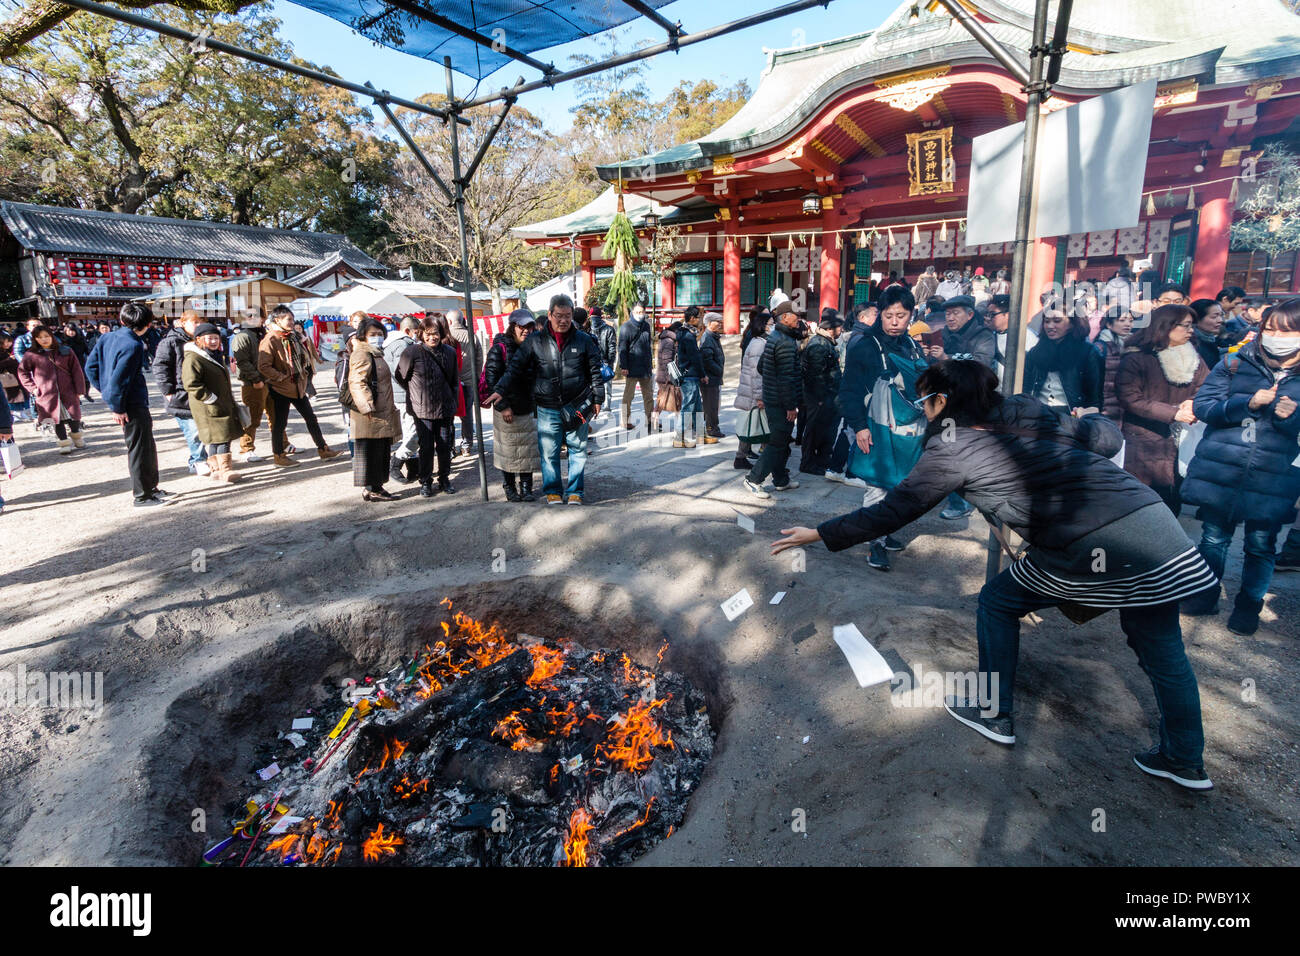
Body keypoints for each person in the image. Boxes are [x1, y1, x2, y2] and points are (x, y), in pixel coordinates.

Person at [772, 359, 1217, 791]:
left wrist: (818, 533)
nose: (920, 409)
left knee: (998, 602)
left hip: (1087, 539)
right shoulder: (1025, 409)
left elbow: (893, 511)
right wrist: (1089, 419)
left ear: (942, 401)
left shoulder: (951, 447)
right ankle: (1184, 759)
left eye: (923, 401)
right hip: (1157, 528)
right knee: (1162, 646)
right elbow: (1103, 438)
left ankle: (993, 712)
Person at [1181, 299, 1300, 635]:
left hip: (1275, 476)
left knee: (1261, 544)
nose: (1276, 336)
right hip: (1223, 467)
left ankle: (1249, 605)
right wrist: (1246, 403)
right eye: (1271, 328)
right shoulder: (1235, 361)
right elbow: (1205, 406)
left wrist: (1292, 418)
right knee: (1213, 538)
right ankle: (1203, 595)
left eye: (1286, 331)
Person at [834, 285, 924, 568]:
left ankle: (884, 532)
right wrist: (859, 426)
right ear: (879, 315)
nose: (895, 322)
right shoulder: (865, 345)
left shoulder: (911, 344)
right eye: (889, 316)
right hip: (875, 426)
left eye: (901, 315)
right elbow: (847, 391)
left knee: (898, 485)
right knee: (877, 485)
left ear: (911, 315)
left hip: (907, 428)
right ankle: (874, 543)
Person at [485, 294, 604, 505]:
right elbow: (515, 368)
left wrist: (598, 398)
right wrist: (500, 389)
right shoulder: (534, 341)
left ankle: (575, 491)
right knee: (549, 452)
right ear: (549, 315)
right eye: (559, 315)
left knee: (578, 450)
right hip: (547, 406)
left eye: (567, 315)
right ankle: (553, 491)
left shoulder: (584, 340)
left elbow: (595, 370)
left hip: (577, 404)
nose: (564, 320)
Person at [1111, 304, 1208, 516]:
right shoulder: (1137, 358)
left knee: (1172, 500)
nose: (1191, 331)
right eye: (1186, 326)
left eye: (1192, 326)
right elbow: (1130, 398)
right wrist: (1173, 413)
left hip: (1183, 437)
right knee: (1143, 500)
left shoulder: (1195, 358)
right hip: (1144, 439)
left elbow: (1206, 389)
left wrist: (1192, 403)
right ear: (1166, 326)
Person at [85, 303, 175, 507]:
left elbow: (91, 368)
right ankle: (142, 496)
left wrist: (105, 391)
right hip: (130, 403)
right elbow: (120, 378)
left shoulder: (107, 337)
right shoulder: (132, 345)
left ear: (122, 320)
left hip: (127, 400)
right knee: (139, 449)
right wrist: (116, 404)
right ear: (148, 324)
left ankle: (151, 487)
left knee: (147, 445)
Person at [927, 294, 995, 519]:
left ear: (970, 314)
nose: (950, 317)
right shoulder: (942, 334)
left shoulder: (983, 335)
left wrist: (947, 358)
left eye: (955, 313)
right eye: (947, 313)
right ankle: (956, 499)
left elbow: (981, 365)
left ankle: (961, 502)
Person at [258, 304, 341, 467]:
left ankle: (323, 449)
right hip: (280, 388)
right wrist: (280, 377)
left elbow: (303, 356)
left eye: (292, 319)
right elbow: (263, 366)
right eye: (288, 319)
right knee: (280, 423)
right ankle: (279, 455)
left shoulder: (293, 335)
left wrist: (304, 372)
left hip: (298, 386)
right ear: (277, 320)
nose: (291, 322)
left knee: (311, 418)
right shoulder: (270, 339)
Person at [742, 300, 802, 497]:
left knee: (781, 441)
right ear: (784, 317)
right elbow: (786, 379)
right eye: (795, 315)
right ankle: (753, 479)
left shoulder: (776, 336)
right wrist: (790, 406)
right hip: (779, 402)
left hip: (773, 398)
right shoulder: (784, 341)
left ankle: (780, 479)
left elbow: (762, 368)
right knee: (777, 443)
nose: (798, 318)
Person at [394, 319, 459, 497]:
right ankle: (426, 481)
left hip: (445, 407)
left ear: (441, 333)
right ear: (421, 334)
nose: (432, 337)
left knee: (445, 446)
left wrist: (453, 401)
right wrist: (415, 391)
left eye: (436, 333)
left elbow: (454, 379)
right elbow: (400, 376)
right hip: (422, 409)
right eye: (428, 333)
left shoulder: (450, 352)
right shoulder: (412, 352)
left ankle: (444, 479)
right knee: (426, 447)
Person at [483, 309, 540, 501]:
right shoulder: (499, 349)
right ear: (513, 327)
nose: (526, 331)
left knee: (528, 452)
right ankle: (509, 487)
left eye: (529, 327)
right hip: (507, 410)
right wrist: (503, 406)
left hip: (527, 408)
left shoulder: (532, 347)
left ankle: (526, 488)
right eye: (522, 327)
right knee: (508, 452)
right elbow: (492, 381)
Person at [181, 323, 245, 484]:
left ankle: (216, 470)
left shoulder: (213, 355)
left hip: (219, 403)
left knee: (218, 438)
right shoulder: (194, 358)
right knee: (223, 436)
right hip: (208, 406)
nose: (214, 341)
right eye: (210, 338)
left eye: (216, 338)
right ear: (199, 339)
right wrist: (210, 398)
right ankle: (226, 470)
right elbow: (191, 383)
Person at [347, 317, 402, 501]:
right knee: (372, 452)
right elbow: (356, 381)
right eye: (373, 334)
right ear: (363, 335)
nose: (377, 337)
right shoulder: (362, 353)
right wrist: (366, 406)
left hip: (379, 411)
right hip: (370, 413)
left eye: (380, 334)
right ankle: (373, 489)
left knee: (378, 451)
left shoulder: (375, 353)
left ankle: (374, 487)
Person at [153, 310, 210, 477]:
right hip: (180, 394)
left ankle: (199, 459)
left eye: (201, 322)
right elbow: (160, 367)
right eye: (195, 322)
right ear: (183, 323)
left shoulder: (202, 341)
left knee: (203, 428)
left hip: (199, 392)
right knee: (193, 430)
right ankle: (198, 461)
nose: (198, 325)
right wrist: (168, 391)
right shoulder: (170, 342)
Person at [1022, 301, 1103, 416]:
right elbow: (1026, 387)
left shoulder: (1088, 352)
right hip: (1038, 413)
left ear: (1072, 323)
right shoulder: (1035, 352)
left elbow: (1094, 396)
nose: (1050, 326)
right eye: (1046, 321)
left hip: (1072, 414)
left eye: (1057, 321)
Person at [17, 324, 86, 455]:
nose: (44, 339)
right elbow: (22, 372)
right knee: (56, 419)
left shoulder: (65, 351)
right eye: (39, 337)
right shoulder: (31, 354)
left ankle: (77, 436)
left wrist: (79, 389)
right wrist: (33, 388)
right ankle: (64, 442)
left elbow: (77, 371)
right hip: (46, 393)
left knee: (74, 417)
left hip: (68, 391)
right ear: (35, 339)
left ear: (51, 336)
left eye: (46, 336)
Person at [798, 313, 843, 475]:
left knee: (825, 429)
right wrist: (818, 398)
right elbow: (814, 375)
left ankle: (822, 459)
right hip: (818, 397)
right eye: (839, 327)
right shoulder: (819, 344)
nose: (841, 330)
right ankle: (808, 463)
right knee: (813, 429)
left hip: (828, 396)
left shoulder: (826, 342)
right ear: (830, 329)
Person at [229, 307, 274, 463]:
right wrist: (256, 379)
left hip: (270, 381)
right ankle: (246, 448)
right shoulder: (243, 336)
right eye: (249, 316)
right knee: (252, 418)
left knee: (276, 416)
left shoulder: (263, 334)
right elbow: (242, 361)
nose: (253, 319)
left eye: (257, 316)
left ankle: (283, 444)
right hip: (252, 383)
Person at [384, 317, 421, 485]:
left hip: (401, 395)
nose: (419, 336)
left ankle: (414, 468)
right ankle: (396, 462)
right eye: (417, 332)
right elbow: (402, 373)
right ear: (408, 331)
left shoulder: (394, 343)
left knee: (410, 432)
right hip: (404, 395)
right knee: (414, 433)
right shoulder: (401, 344)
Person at [733, 309, 768, 470]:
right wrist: (760, 396)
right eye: (771, 324)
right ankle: (766, 463)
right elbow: (757, 374)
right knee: (759, 426)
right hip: (754, 392)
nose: (773, 326)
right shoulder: (758, 345)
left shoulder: (758, 342)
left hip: (751, 391)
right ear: (763, 326)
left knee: (752, 425)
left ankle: (742, 457)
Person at [446, 309, 482, 454]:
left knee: (448, 416)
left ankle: (449, 446)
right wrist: (477, 377)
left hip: (450, 382)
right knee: (467, 415)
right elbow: (479, 359)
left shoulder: (446, 336)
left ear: (449, 321)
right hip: (469, 381)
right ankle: (466, 445)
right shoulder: (471, 336)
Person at [984, 293, 1038, 388]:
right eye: (987, 314)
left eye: (992, 315)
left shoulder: (1027, 336)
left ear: (1008, 315)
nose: (988, 318)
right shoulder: (989, 335)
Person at [617, 301, 654, 431]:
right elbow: (622, 348)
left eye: (642, 312)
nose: (640, 314)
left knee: (649, 396)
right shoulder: (626, 327)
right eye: (637, 312)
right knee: (628, 396)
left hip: (645, 367)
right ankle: (625, 421)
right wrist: (624, 366)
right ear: (632, 312)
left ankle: (651, 421)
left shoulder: (646, 325)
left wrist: (650, 364)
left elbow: (648, 346)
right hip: (631, 367)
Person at [1092, 307, 1133, 422]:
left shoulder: (1134, 346)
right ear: (1109, 324)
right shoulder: (1100, 347)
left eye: (1130, 320)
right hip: (1105, 407)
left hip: (1127, 407)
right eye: (1122, 320)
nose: (1127, 324)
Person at [675, 305, 706, 449]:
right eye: (699, 317)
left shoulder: (684, 332)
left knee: (697, 406)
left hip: (687, 373)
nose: (700, 320)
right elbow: (695, 357)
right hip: (690, 374)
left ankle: (701, 434)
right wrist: (702, 374)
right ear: (692, 318)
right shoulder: (688, 335)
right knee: (688, 406)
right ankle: (680, 437)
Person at [699, 311, 726, 442]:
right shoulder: (707, 338)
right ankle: (712, 428)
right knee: (711, 405)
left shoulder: (712, 336)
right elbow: (707, 359)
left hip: (714, 376)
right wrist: (718, 370)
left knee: (712, 404)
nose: (720, 324)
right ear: (710, 324)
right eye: (718, 322)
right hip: (710, 377)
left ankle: (711, 426)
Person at [654, 314, 683, 433]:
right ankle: (679, 425)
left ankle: (654, 422)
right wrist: (671, 377)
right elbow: (667, 360)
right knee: (671, 400)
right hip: (667, 376)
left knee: (662, 400)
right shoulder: (669, 341)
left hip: (665, 375)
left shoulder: (668, 339)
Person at [1189, 298, 1226, 371]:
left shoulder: (1210, 339)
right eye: (1214, 317)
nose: (1220, 320)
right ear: (1196, 319)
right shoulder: (1194, 345)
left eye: (1221, 315)